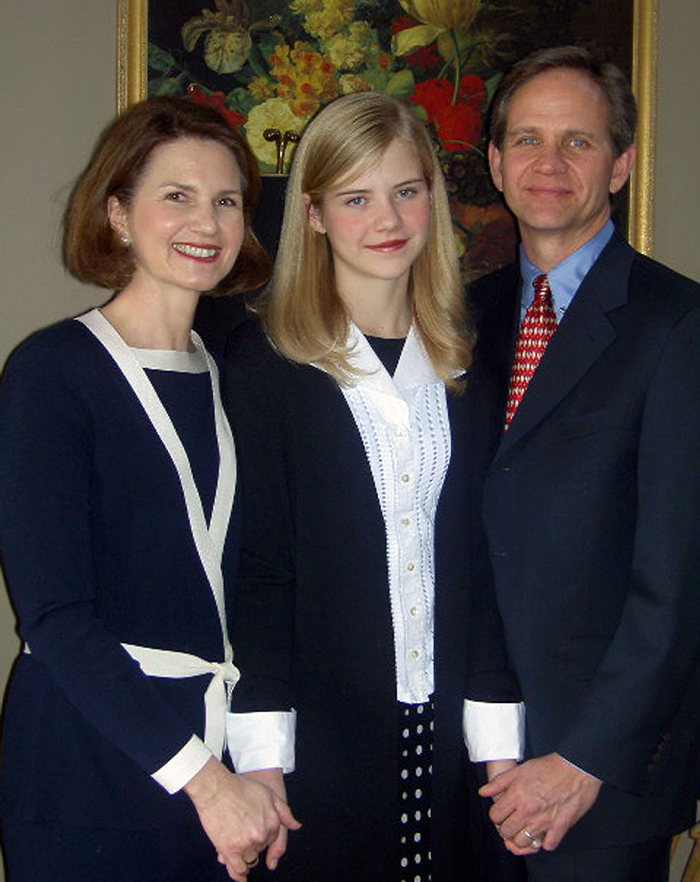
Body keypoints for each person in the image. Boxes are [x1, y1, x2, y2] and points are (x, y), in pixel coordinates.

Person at [222, 91, 524, 882]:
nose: (386, 217)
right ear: (314, 214)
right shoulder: (267, 366)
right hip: (320, 741)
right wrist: (261, 757)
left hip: (451, 734)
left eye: (407, 189)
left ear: (433, 196)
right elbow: (260, 573)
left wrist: (499, 752)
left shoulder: (468, 369)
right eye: (356, 198)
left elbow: (482, 566)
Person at [0, 96, 300, 882]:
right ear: (118, 214)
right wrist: (206, 783)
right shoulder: (51, 373)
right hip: (88, 764)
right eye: (177, 196)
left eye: (226, 201)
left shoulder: (234, 379)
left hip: (216, 761)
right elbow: (57, 617)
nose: (206, 221)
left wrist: (254, 768)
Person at [469, 46, 700, 881]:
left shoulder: (678, 325)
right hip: (471, 760)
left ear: (621, 164)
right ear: (495, 163)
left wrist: (582, 761)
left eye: (578, 141)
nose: (549, 163)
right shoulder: (461, 315)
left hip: (598, 782)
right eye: (527, 139)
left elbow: (677, 582)